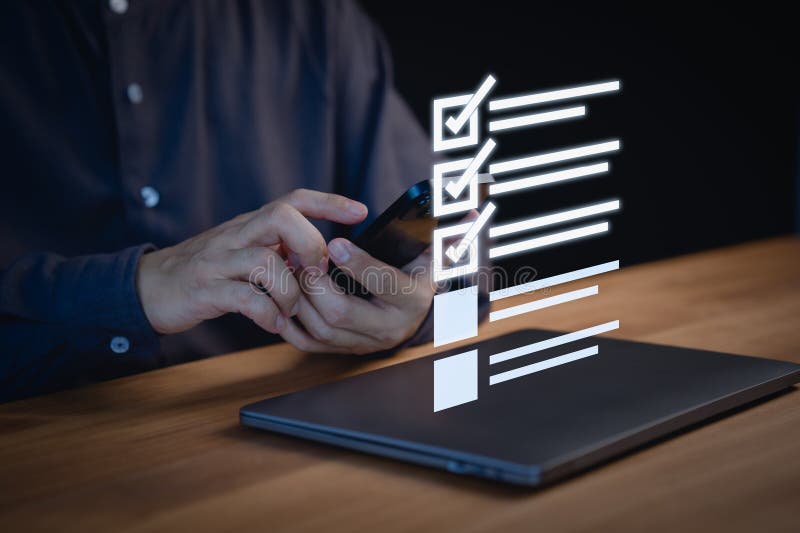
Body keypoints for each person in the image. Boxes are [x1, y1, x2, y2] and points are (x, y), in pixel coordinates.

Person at [0, 0, 441, 401]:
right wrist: (136, 289)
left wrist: (413, 312)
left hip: (287, 411)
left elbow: (454, 251)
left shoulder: (315, 20)